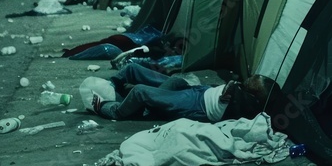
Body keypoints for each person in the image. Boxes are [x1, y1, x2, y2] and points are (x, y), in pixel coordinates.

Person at [89, 62, 270, 123]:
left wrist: (229, 89)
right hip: (197, 92)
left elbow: (232, 95)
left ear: (255, 93)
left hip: (194, 105)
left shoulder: (245, 103)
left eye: (255, 79)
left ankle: (111, 108)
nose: (252, 77)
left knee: (139, 92)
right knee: (133, 69)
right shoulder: (241, 90)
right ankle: (113, 84)